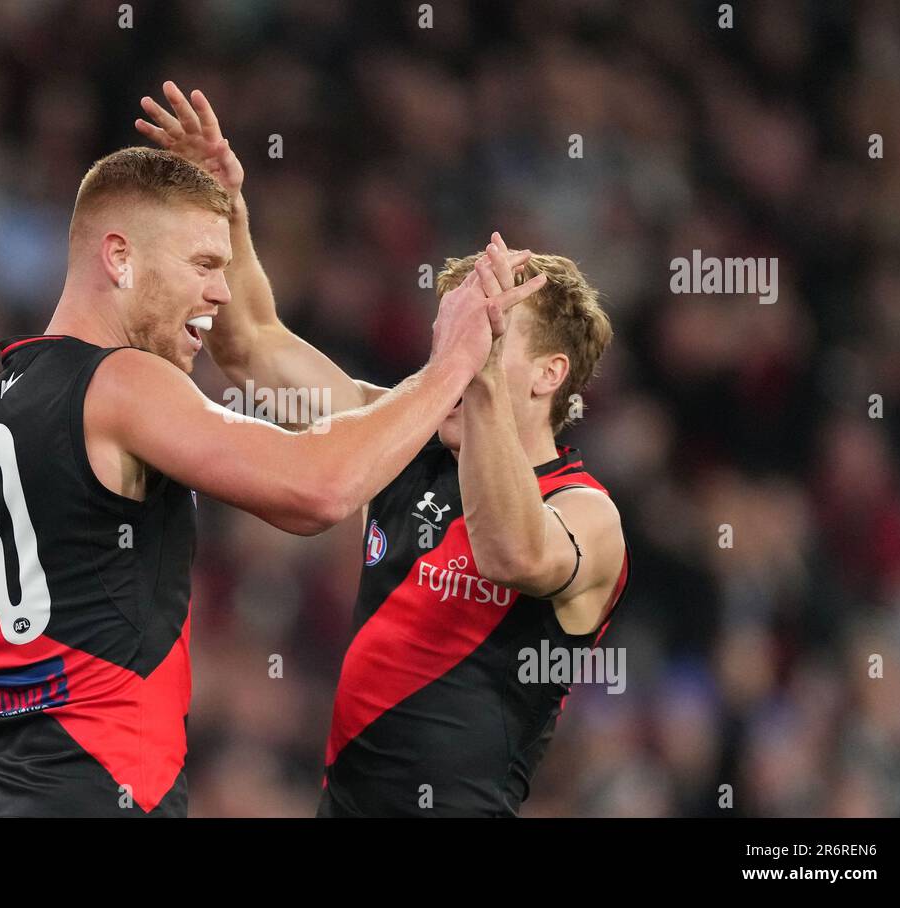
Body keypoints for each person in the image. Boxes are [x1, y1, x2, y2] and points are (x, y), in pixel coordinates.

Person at [0, 138, 544, 816]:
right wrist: (449, 366)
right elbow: (319, 489)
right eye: (202, 263)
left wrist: (232, 214)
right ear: (119, 257)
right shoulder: (121, 382)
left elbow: (251, 343)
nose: (218, 290)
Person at [137, 82, 629, 816]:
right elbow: (251, 348)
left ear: (550, 375)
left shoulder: (587, 513)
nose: (455, 348)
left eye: (488, 330)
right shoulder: (403, 436)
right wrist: (225, 209)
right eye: (453, 326)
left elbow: (512, 554)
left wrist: (477, 373)